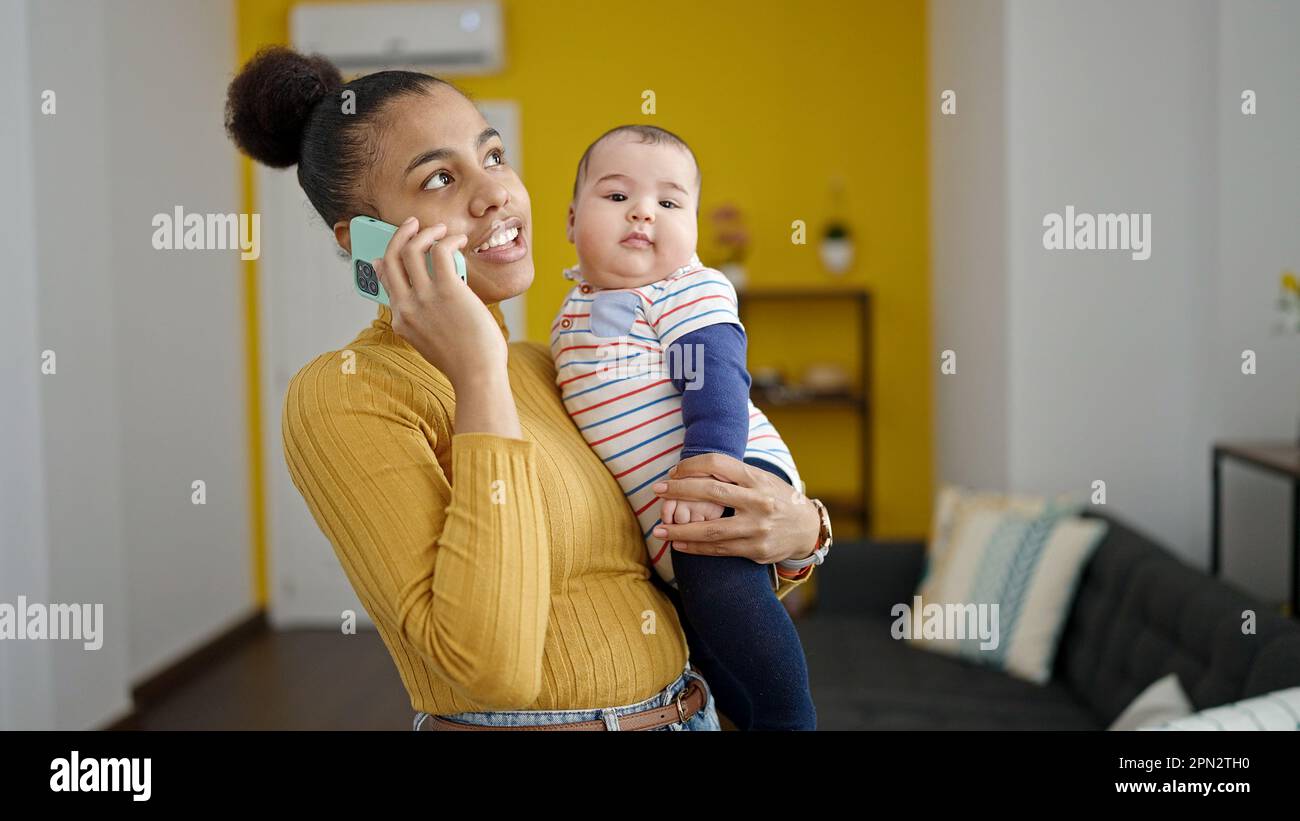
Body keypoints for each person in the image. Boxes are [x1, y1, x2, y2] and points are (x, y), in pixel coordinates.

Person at [222, 46, 831, 731]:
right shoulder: (345, 393)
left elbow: (696, 561)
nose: (495, 193)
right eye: (440, 178)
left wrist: (803, 529)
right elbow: (488, 666)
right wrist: (478, 373)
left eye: (493, 156)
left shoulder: (557, 368)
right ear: (367, 242)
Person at [554, 124, 816, 729]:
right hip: (669, 510)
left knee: (720, 587)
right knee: (701, 631)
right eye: (617, 197)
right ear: (571, 221)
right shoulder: (572, 310)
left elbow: (718, 386)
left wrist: (705, 473)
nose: (643, 212)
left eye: (669, 203)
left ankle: (789, 717)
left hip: (728, 468)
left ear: (693, 228)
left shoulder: (686, 289)